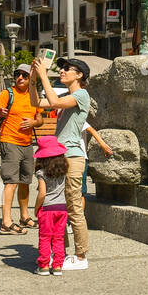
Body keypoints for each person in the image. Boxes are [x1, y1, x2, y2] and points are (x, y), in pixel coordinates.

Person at [30, 56, 112, 270]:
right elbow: (36, 103)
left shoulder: (82, 94)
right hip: (59, 156)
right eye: (62, 68)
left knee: (74, 207)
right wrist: (32, 80)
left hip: (74, 156)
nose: (63, 71)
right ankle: (60, 253)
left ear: (80, 75)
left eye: (68, 69)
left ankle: (81, 256)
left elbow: (54, 102)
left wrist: (43, 76)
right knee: (57, 205)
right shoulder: (68, 95)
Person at [0, 63, 45, 235]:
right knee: (11, 181)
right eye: (17, 74)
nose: (20, 78)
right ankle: (6, 222)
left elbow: (40, 119)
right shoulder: (7, 94)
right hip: (10, 141)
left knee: (25, 181)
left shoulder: (33, 95)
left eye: (24, 75)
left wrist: (34, 122)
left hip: (27, 143)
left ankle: (24, 216)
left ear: (30, 79)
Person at [31, 135, 70, 275]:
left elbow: (42, 193)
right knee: (58, 237)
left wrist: (36, 208)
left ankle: (44, 266)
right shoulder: (64, 172)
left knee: (45, 237)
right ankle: (58, 266)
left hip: (47, 208)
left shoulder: (41, 173)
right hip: (62, 208)